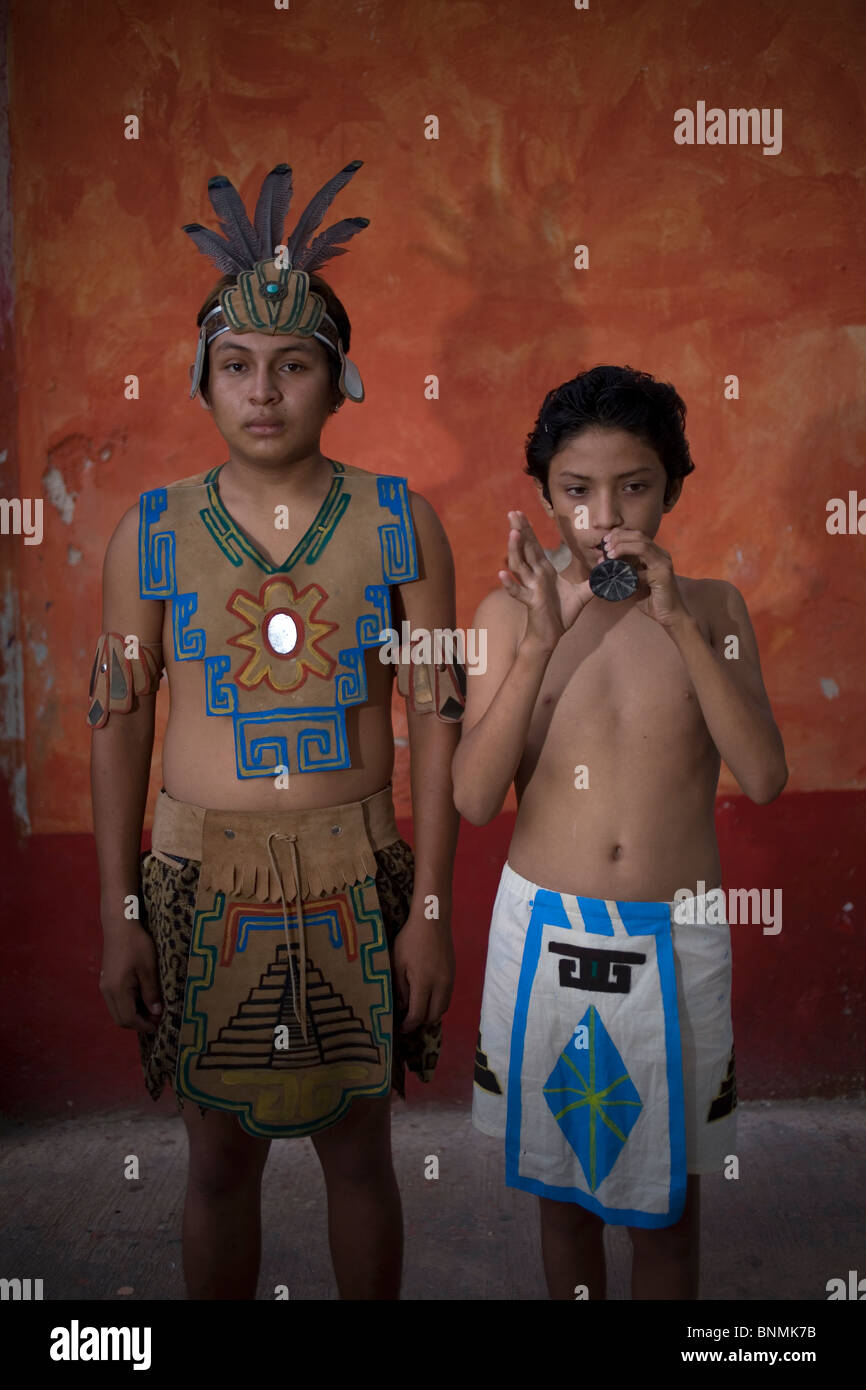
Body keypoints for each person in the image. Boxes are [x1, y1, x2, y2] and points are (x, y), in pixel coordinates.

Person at [89, 158, 463, 1300]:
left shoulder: (402, 524)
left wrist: (432, 912)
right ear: (202, 379)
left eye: (292, 364)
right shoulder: (148, 536)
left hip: (359, 875)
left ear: (337, 379)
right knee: (215, 1163)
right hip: (199, 878)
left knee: (360, 1155)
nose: (263, 390)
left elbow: (439, 725)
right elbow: (118, 726)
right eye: (237, 365)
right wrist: (120, 912)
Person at [454, 364, 787, 1300]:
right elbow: (475, 799)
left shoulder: (714, 610)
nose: (606, 514)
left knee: (668, 1210)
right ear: (545, 495)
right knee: (561, 1201)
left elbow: (763, 777)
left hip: (673, 940)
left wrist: (677, 621)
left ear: (672, 488)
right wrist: (535, 645)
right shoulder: (505, 616)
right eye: (577, 490)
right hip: (542, 937)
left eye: (634, 485)